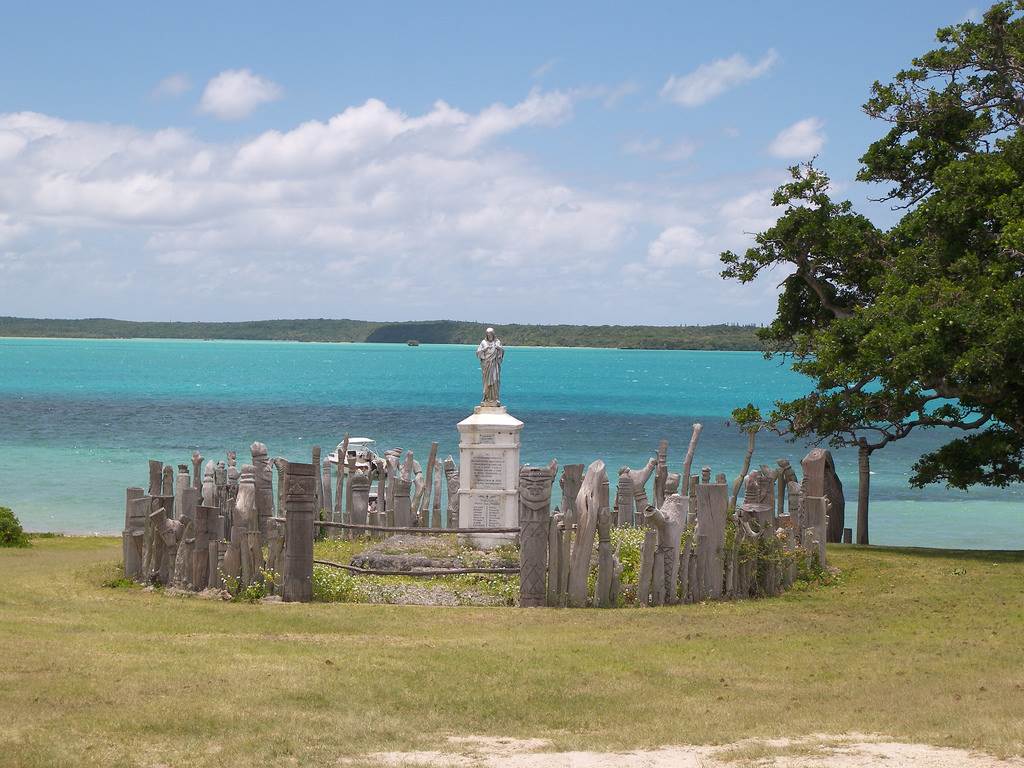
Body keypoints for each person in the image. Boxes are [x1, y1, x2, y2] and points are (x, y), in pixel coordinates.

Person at [476, 327, 504, 405]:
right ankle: (486, 398)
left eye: (491, 334)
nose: (490, 336)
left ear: (493, 334)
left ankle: (495, 398)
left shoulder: (497, 342)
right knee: (486, 382)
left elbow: (501, 351)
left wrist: (499, 348)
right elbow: (478, 353)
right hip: (486, 365)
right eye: (488, 335)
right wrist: (484, 349)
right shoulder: (483, 342)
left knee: (495, 380)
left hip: (495, 365)